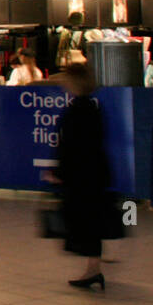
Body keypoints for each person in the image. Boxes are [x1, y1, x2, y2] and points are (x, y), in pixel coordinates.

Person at [47, 63, 112, 291]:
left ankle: (93, 269)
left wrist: (59, 171)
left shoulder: (77, 110)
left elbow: (71, 145)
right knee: (92, 219)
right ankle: (93, 268)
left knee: (84, 219)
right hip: (94, 172)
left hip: (82, 175)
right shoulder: (92, 107)